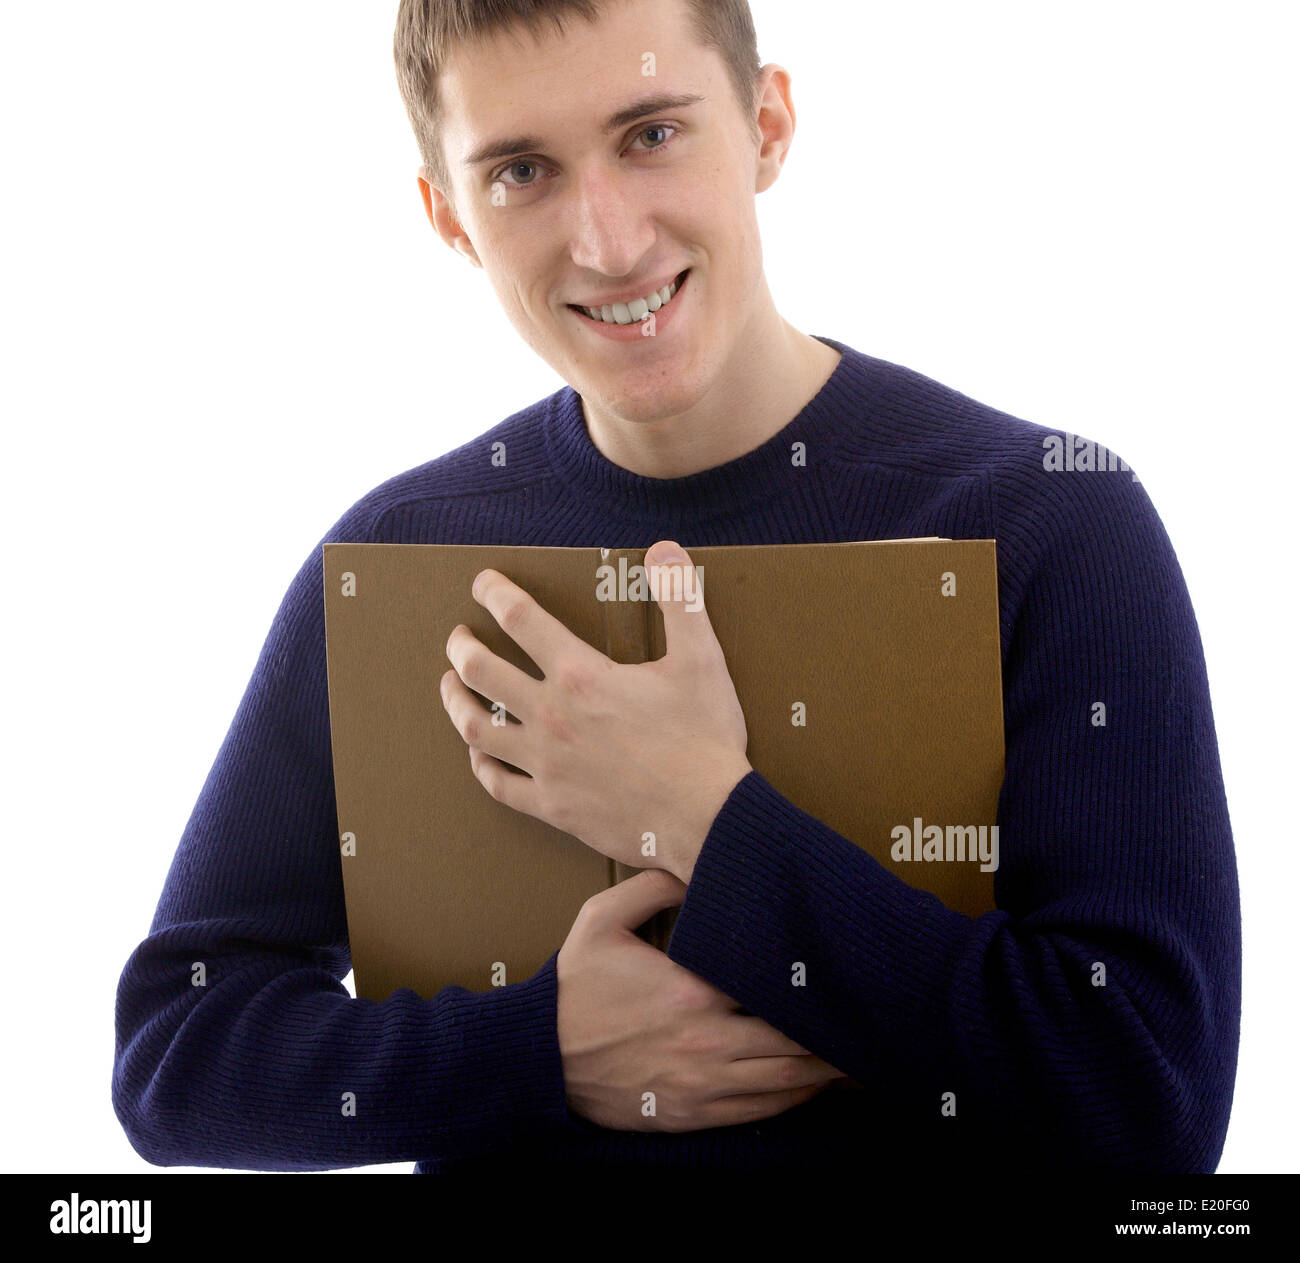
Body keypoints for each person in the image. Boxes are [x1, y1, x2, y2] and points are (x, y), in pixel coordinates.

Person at [112, 0, 1241, 1175]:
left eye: (650, 134)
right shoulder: (400, 556)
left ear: (766, 122)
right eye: (521, 172)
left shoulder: (1054, 521)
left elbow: (1148, 1106)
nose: (606, 240)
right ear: (448, 215)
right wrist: (536, 1048)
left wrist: (705, 818)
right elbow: (173, 1056)